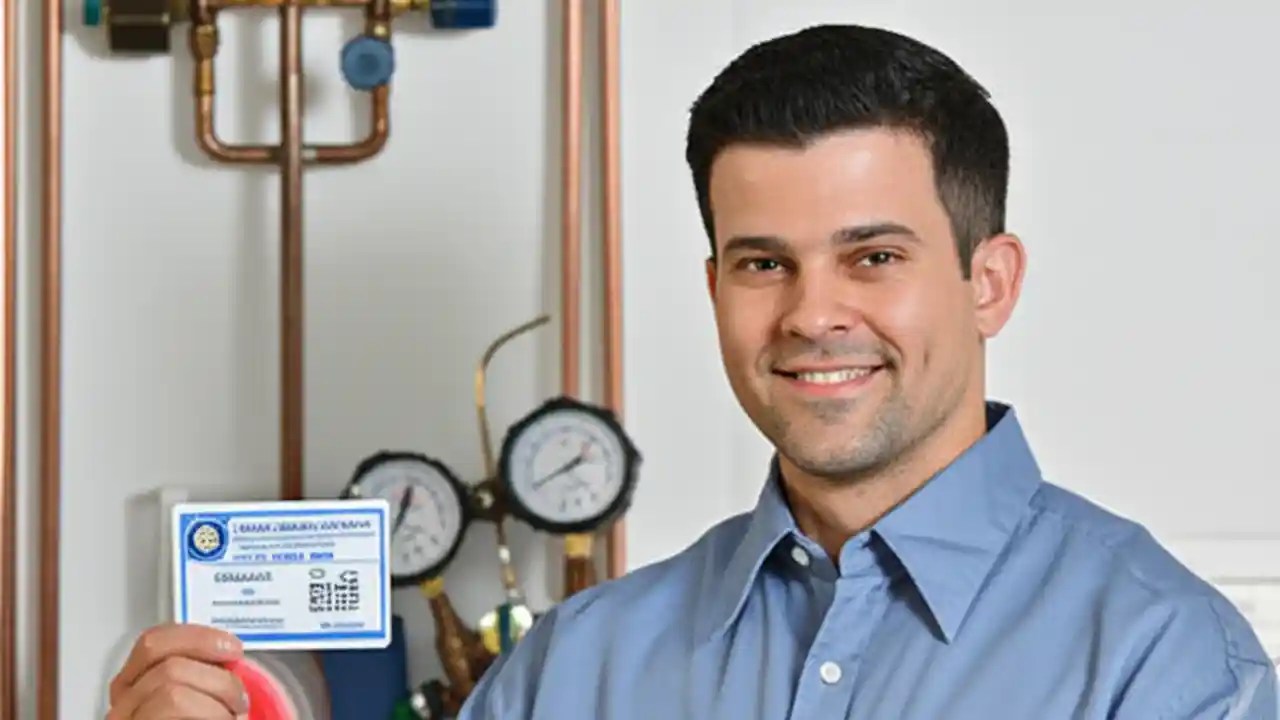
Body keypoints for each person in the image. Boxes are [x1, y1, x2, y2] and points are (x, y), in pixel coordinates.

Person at [105, 23, 1276, 720]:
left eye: (872, 255)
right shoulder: (575, 672)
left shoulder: (1159, 666)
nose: (813, 313)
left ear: (988, 282)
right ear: (715, 286)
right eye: (764, 261)